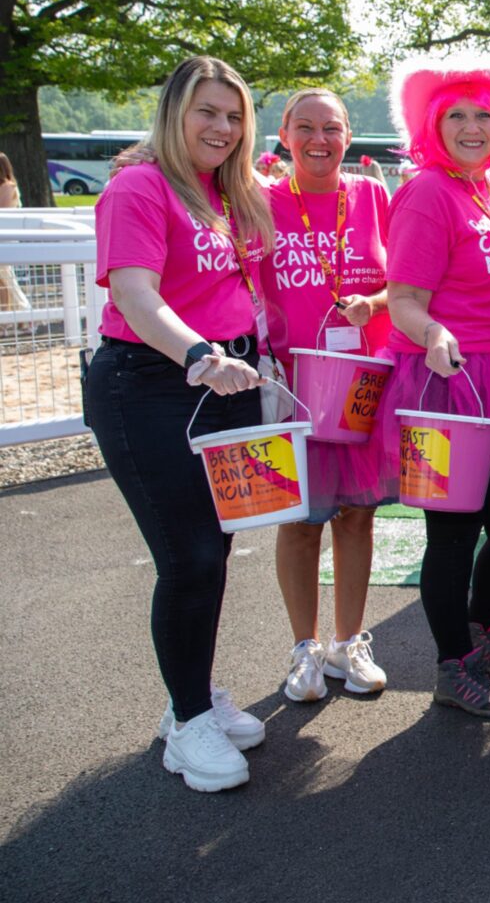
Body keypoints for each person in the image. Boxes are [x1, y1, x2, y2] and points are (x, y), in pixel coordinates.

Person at [83, 56, 274, 792]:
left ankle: (192, 698)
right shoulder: (140, 186)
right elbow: (136, 295)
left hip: (219, 388)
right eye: (207, 112)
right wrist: (200, 355)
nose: (222, 128)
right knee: (189, 558)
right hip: (149, 387)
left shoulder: (221, 195)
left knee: (214, 554)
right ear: (173, 113)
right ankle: (187, 722)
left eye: (234, 116)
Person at [375, 53, 490, 718]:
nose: (473, 128)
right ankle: (454, 666)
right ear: (432, 125)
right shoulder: (426, 192)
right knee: (450, 535)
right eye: (457, 117)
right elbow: (405, 299)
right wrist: (435, 335)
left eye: (485, 115)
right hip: (451, 383)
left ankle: (482, 622)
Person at [260, 89, 393, 703]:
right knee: (301, 520)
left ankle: (349, 642)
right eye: (306, 128)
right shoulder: (259, 202)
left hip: (362, 384)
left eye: (332, 128)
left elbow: (406, 280)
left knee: (357, 513)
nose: (320, 140)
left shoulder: (371, 195)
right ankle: (305, 649)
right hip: (293, 387)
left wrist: (375, 303)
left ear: (348, 135)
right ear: (284, 134)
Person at [0, 152, 28, 314]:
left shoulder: (8, 187)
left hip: (4, 237)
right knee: (4, 280)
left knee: (7, 278)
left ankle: (24, 312)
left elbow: (2, 209)